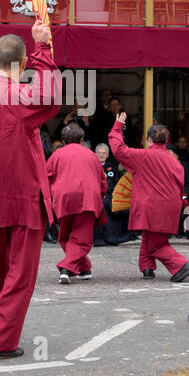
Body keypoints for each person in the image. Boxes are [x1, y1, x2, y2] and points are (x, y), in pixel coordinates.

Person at [0, 21, 61, 360]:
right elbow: (51, 97)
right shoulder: (19, 95)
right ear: (22, 66)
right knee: (20, 273)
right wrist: (43, 49)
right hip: (23, 196)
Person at [108, 114, 189, 282]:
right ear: (166, 141)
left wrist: (117, 126)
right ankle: (147, 267)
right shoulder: (174, 160)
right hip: (171, 205)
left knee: (157, 244)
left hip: (152, 205)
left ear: (148, 140)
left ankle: (181, 265)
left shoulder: (143, 156)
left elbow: (118, 149)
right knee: (151, 236)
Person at [46, 122, 107, 284]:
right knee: (82, 239)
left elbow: (46, 179)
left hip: (63, 200)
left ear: (63, 140)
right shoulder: (91, 155)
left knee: (65, 236)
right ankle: (66, 268)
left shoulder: (56, 155)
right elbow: (102, 183)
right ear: (81, 139)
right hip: (87, 199)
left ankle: (84, 268)